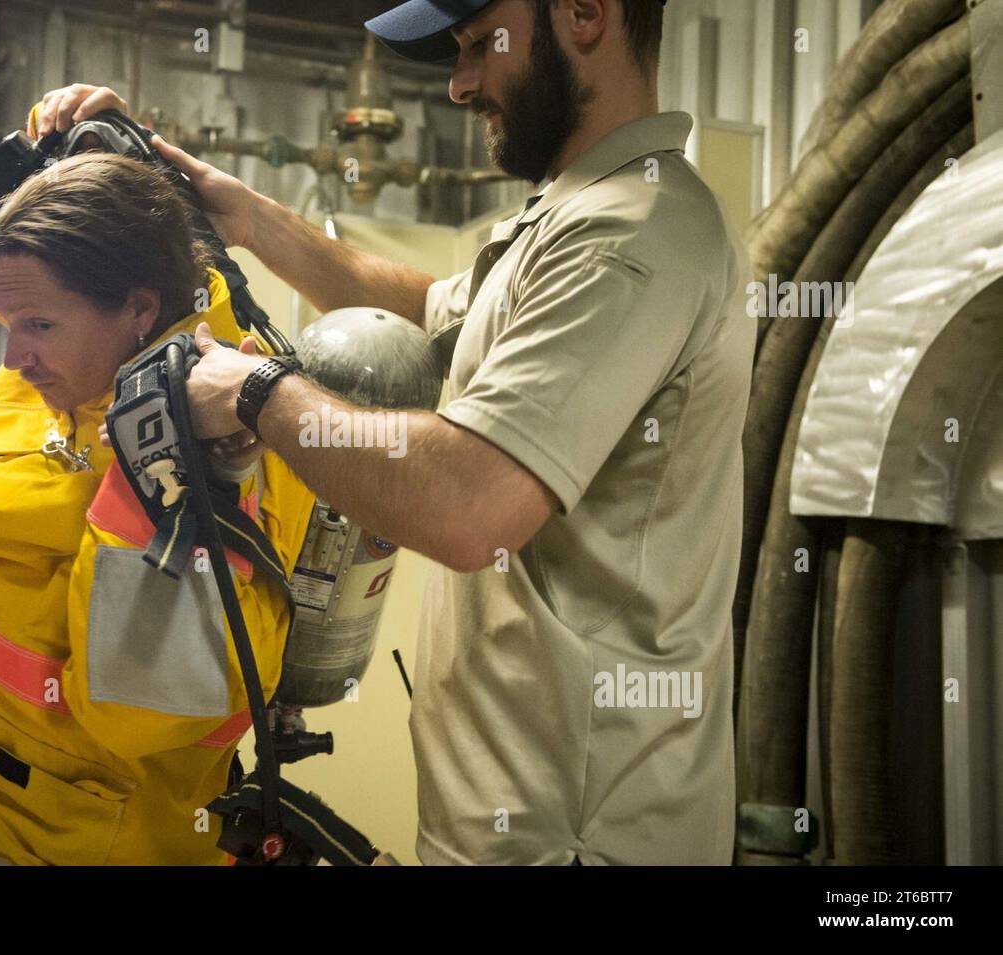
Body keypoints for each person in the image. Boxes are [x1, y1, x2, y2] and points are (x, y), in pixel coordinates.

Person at [49, 0, 752, 865]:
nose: (459, 84)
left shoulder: (628, 237)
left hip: (577, 837)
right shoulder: (572, 218)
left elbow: (470, 503)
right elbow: (420, 306)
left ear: (583, 13)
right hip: (507, 821)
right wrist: (241, 213)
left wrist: (257, 392)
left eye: (474, 46)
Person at [0, 148, 315, 865]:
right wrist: (96, 156)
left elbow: (149, 704)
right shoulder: (75, 353)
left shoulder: (226, 433)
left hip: (77, 847)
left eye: (37, 326)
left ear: (139, 309)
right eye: (5, 321)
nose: (13, 358)